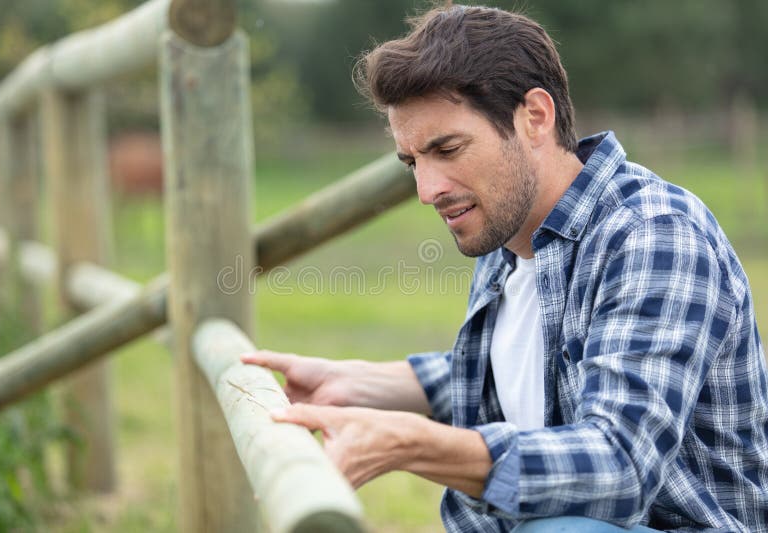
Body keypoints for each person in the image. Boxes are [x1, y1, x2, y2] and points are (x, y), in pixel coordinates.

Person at [242, 5, 768, 532]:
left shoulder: (654, 234)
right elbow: (528, 368)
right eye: (413, 163)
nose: (427, 191)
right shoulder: (506, 229)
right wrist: (358, 382)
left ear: (534, 117)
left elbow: (620, 465)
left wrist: (407, 442)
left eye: (447, 149)